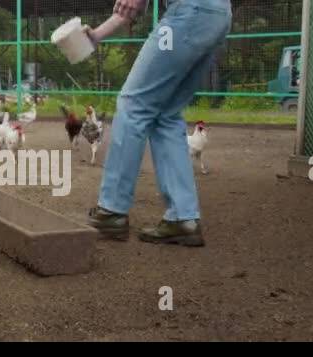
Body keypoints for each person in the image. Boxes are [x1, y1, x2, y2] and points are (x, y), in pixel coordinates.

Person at [86, 0, 232, 246]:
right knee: (167, 114)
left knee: (134, 104)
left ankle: (111, 210)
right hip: (217, 15)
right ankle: (183, 218)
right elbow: (131, 9)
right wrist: (99, 33)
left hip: (189, 12)